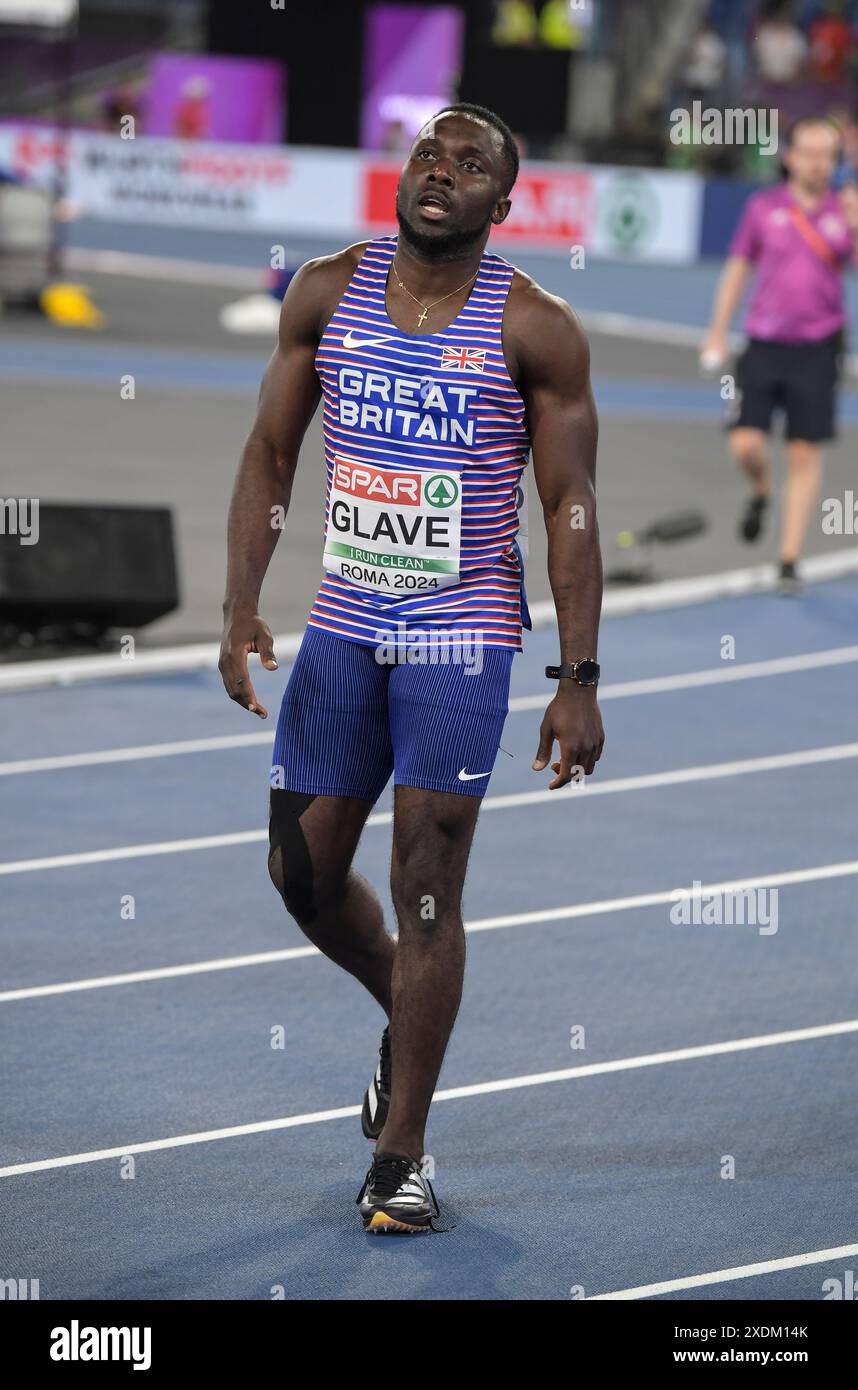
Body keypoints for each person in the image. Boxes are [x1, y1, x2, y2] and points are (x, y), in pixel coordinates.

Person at [219, 103, 604, 1232]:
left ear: (504, 198)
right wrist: (242, 601)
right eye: (429, 155)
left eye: (469, 163)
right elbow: (270, 451)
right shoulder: (328, 292)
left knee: (427, 881)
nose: (441, 173)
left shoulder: (536, 329)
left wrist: (576, 674)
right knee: (300, 869)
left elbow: (571, 502)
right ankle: (406, 1005)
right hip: (344, 624)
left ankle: (404, 1151)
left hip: (463, 634)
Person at [701, 116, 858, 591]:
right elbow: (737, 269)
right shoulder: (763, 207)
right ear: (789, 156)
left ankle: (789, 560)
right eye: (808, 152)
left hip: (819, 347)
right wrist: (717, 331)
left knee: (804, 452)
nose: (817, 163)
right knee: (746, 443)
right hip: (764, 343)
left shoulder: (843, 210)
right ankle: (762, 488)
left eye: (827, 155)